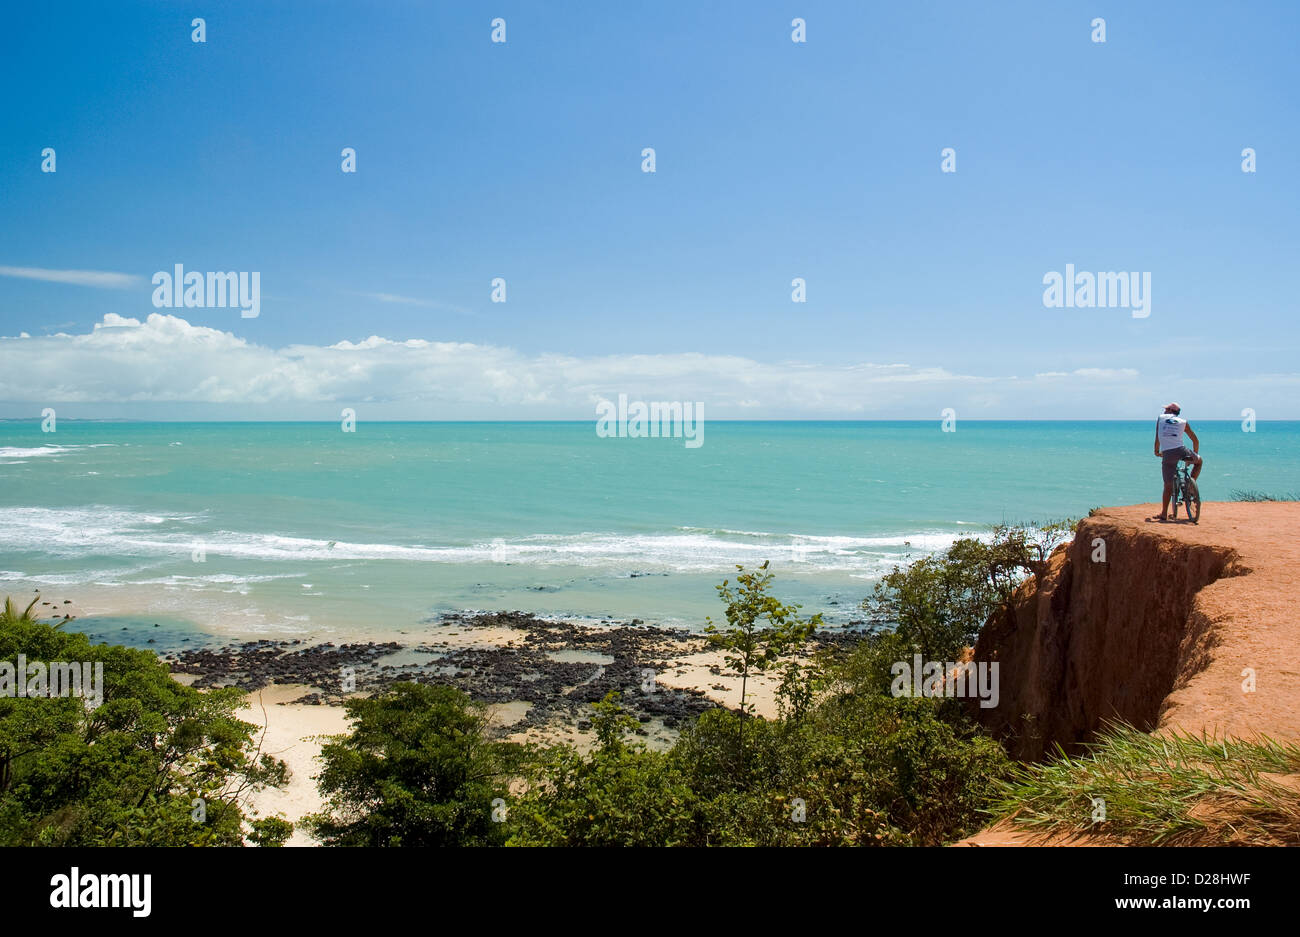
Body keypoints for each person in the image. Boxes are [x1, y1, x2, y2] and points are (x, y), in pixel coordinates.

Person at [1148, 402, 1202, 522]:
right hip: (1182, 451)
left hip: (1167, 454)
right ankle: (1190, 487)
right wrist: (1194, 456)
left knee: (1168, 485)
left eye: (1166, 409)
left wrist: (1156, 451)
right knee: (1199, 461)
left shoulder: (1161, 418)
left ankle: (1164, 514)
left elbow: (1158, 437)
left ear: (1170, 411)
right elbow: (1195, 440)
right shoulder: (1183, 422)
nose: (1164, 411)